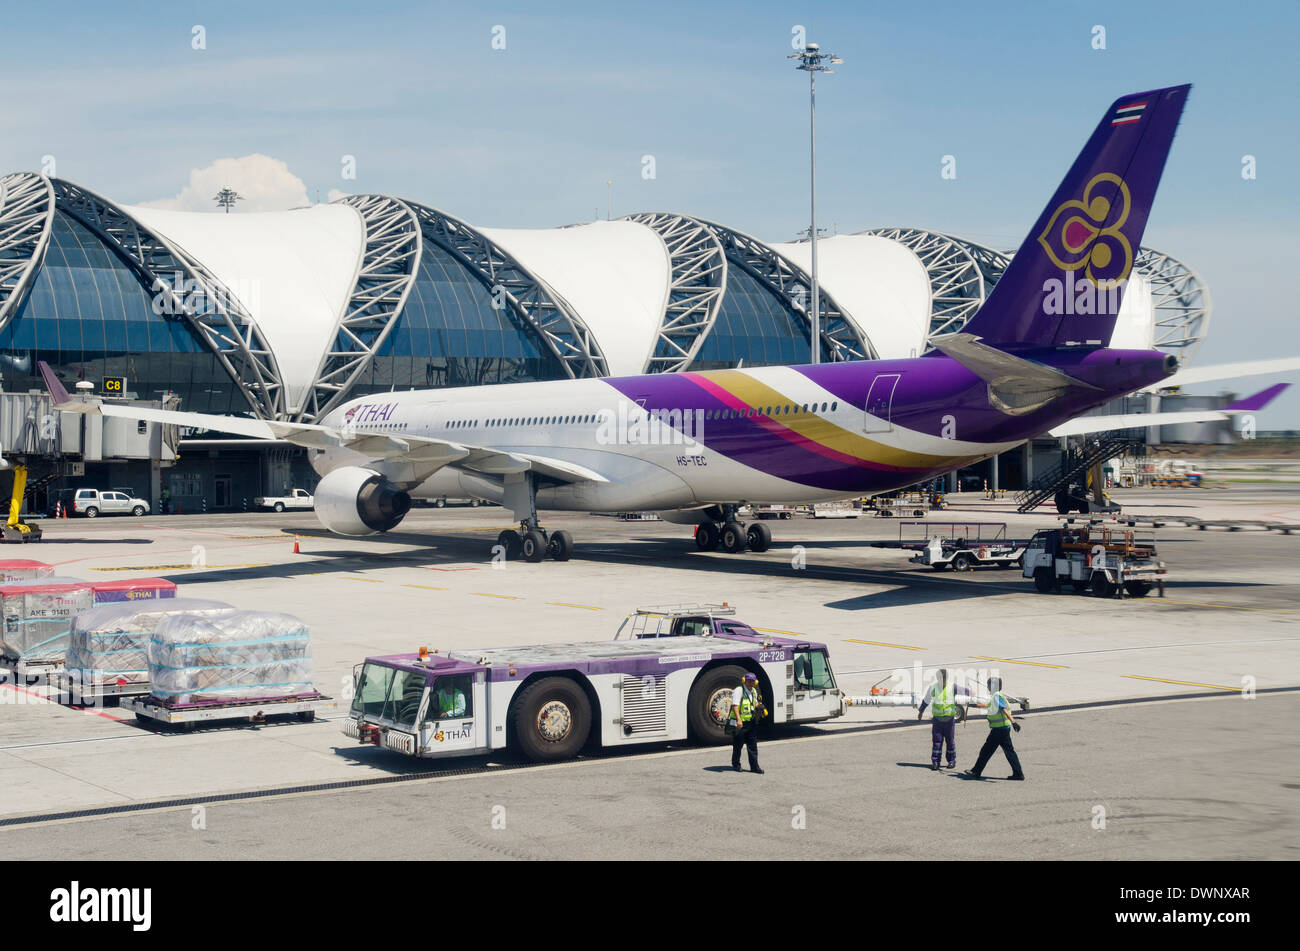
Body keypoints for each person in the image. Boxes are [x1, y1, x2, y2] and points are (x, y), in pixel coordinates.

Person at [965, 676, 1025, 780]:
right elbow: (987, 706)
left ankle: (976, 771)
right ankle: (1018, 773)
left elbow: (1003, 709)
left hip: (999, 730)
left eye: (988, 685)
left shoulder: (996, 696)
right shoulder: (996, 696)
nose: (987, 687)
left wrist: (1014, 722)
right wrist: (974, 705)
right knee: (1009, 751)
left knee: (986, 751)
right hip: (1003, 729)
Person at [917, 668, 958, 770]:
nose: (942, 682)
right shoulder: (933, 688)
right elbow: (926, 700)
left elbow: (965, 691)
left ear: (946, 679)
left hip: (949, 720)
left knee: (950, 741)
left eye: (943, 680)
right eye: (940, 679)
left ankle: (951, 761)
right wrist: (921, 711)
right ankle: (935, 762)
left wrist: (971, 693)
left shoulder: (953, 687)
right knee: (937, 742)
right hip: (937, 721)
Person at [729, 672, 766, 774]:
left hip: (751, 722)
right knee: (738, 745)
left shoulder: (754, 691)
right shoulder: (739, 690)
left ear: (755, 682)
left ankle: (754, 767)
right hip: (740, 724)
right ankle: (736, 764)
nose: (751, 682)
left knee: (752, 746)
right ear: (744, 680)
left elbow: (754, 703)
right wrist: (739, 720)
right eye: (749, 680)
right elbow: (735, 706)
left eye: (752, 681)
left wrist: (759, 706)